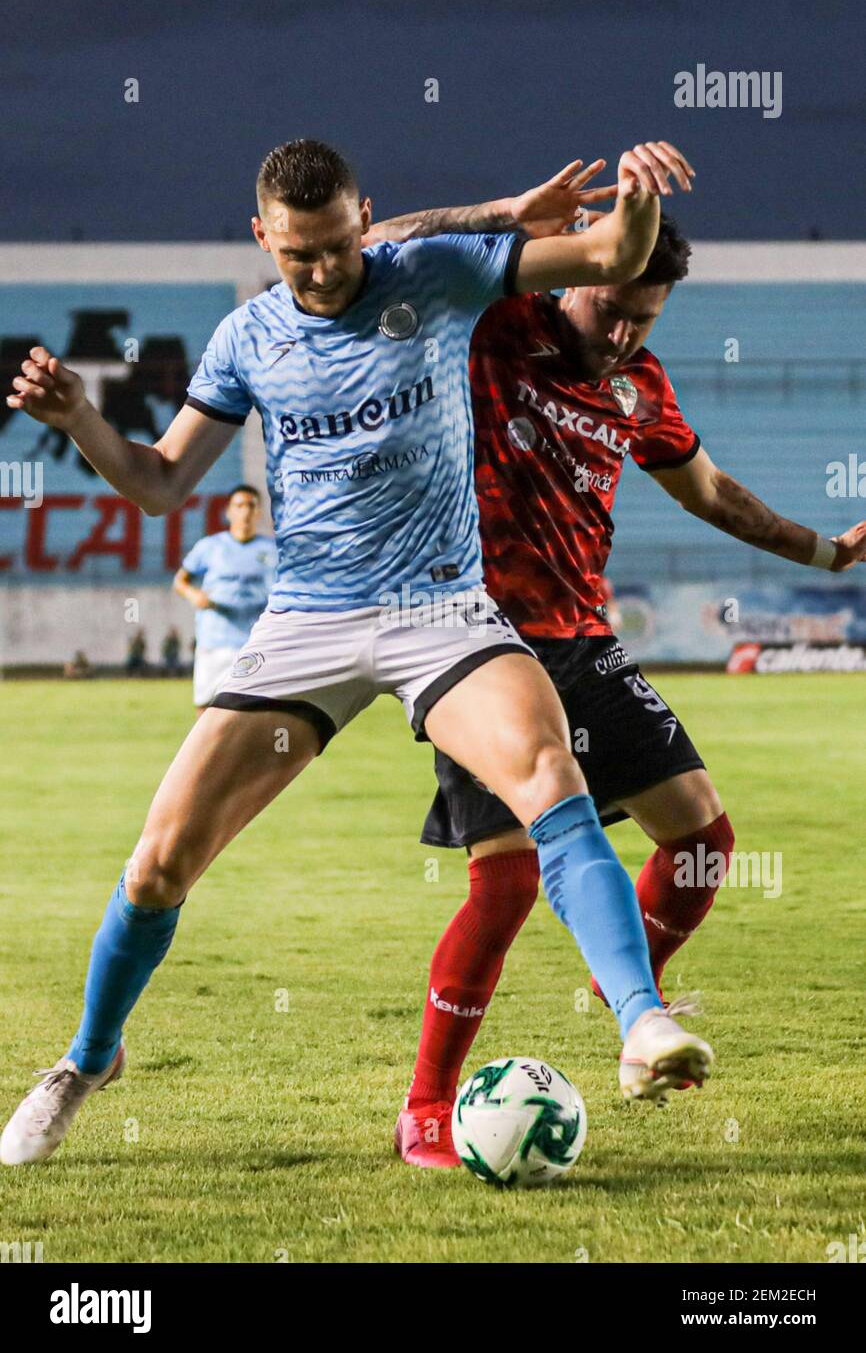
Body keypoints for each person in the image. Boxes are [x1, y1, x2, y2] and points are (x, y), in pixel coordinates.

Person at [1, 136, 710, 1171]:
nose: (324, 270)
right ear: (263, 240)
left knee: (549, 777)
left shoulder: (435, 271)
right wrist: (78, 420)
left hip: (440, 610)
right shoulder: (246, 338)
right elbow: (157, 483)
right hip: (307, 626)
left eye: (336, 245)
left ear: (362, 218)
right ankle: (86, 1059)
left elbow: (607, 257)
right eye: (299, 256)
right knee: (159, 864)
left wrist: (637, 202)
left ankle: (641, 1023)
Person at [362, 205, 866, 1165]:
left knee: (705, 841)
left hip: (588, 646)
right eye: (609, 304)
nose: (622, 330)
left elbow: (709, 492)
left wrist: (822, 550)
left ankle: (624, 983)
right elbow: (383, 250)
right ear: (576, 273)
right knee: (505, 884)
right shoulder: (495, 324)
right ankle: (425, 1108)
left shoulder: (639, 384)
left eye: (644, 316)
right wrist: (501, 217)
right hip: (481, 643)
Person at [173, 485, 277, 710]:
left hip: (255, 642)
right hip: (215, 640)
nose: (246, 511)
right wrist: (195, 595)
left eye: (251, 505)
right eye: (239, 505)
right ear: (229, 511)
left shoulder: (272, 549)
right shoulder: (210, 547)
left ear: (259, 512)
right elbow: (180, 581)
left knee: (255, 711)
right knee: (206, 708)